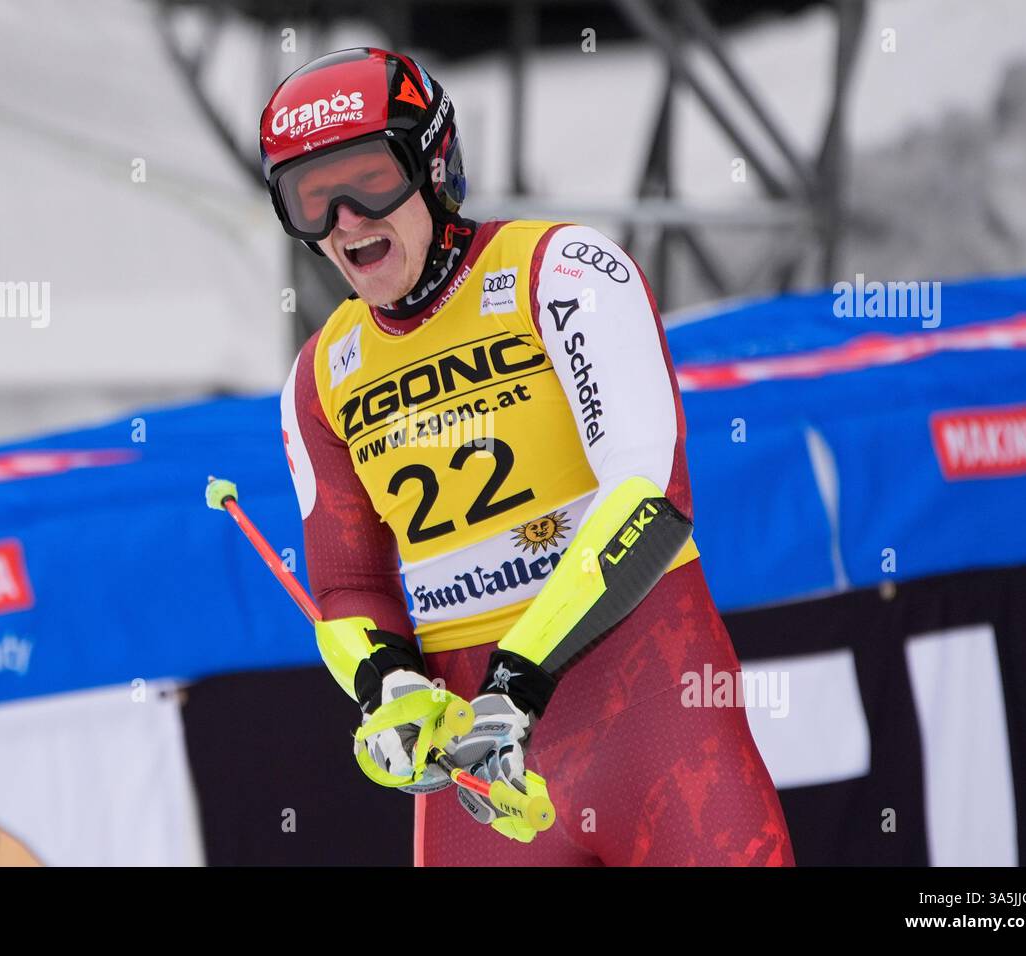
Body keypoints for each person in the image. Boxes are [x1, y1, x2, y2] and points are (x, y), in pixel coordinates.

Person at [264, 47, 794, 866]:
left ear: (434, 164)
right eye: (308, 199)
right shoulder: (318, 378)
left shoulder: (564, 269)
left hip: (651, 707)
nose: (344, 220)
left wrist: (517, 681)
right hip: (483, 767)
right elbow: (347, 585)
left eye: (369, 178)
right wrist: (389, 684)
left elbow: (649, 500)